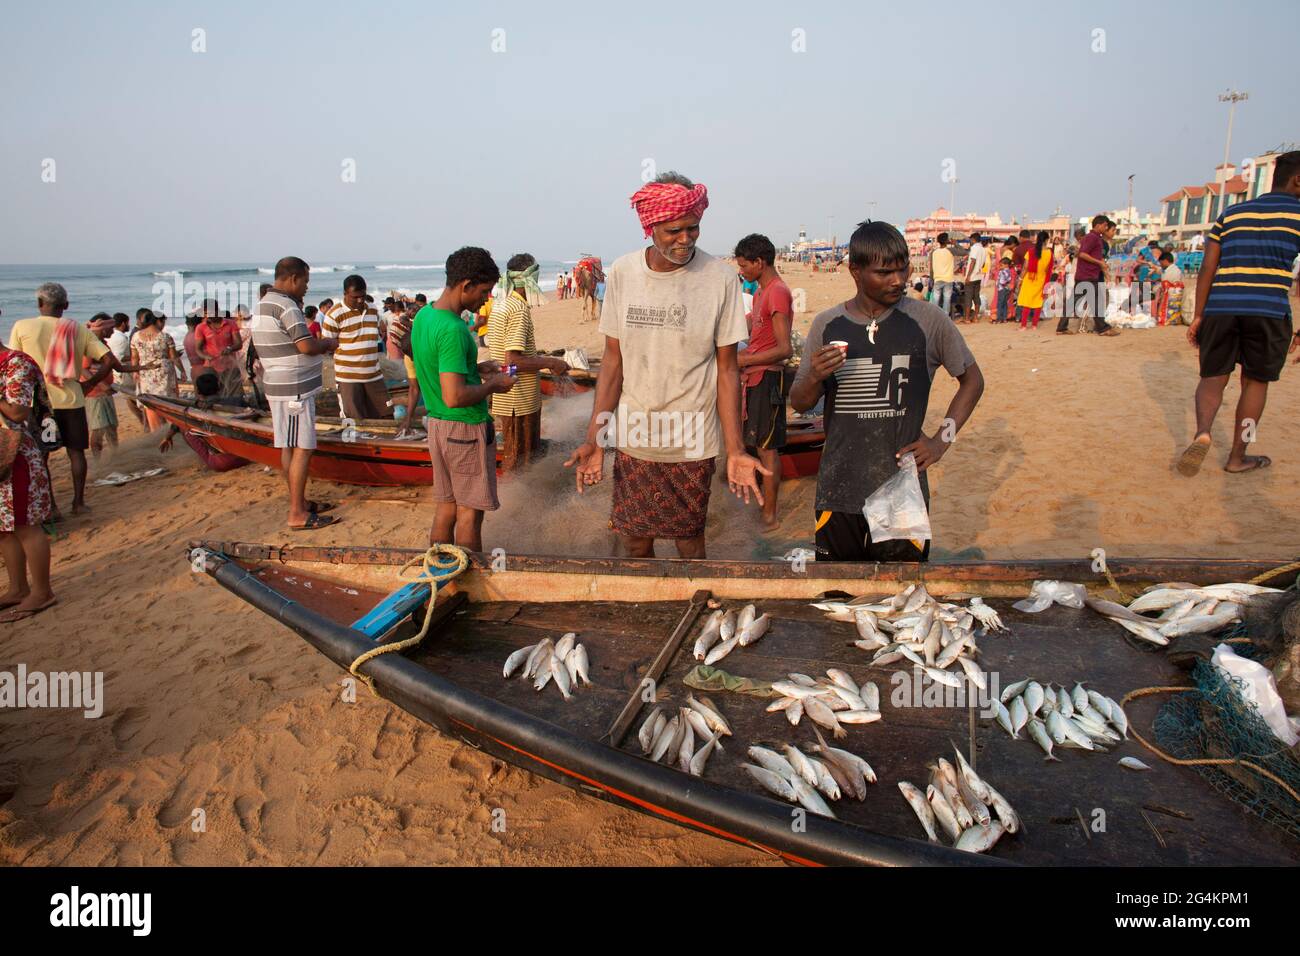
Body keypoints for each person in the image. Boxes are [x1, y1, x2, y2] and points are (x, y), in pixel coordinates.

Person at [564, 172, 768, 559]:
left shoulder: (721, 279)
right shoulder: (624, 273)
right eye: (675, 230)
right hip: (636, 434)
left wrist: (736, 449)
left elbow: (728, 369)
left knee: (689, 540)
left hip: (693, 438)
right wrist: (595, 438)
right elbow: (613, 362)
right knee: (635, 540)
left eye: (693, 228)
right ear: (651, 226)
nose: (686, 239)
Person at [789, 220, 984, 562]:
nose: (898, 280)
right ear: (855, 272)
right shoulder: (827, 324)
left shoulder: (928, 321)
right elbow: (800, 402)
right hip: (839, 490)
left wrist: (941, 441)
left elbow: (972, 380)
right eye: (884, 272)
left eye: (902, 269)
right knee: (839, 595)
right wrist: (815, 376)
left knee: (902, 599)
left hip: (903, 493)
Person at [1177, 151, 1300, 477]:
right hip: (1268, 312)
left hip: (1220, 309)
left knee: (1212, 378)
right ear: (1298, 179)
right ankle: (1237, 456)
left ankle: (1203, 432)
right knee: (1255, 384)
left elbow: (1207, 267)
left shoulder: (1232, 213)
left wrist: (1199, 316)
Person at [411, 246, 516, 551]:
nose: (486, 299)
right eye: (484, 291)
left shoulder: (425, 315)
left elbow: (437, 367)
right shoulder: (454, 329)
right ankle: (468, 578)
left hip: (438, 426)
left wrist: (476, 369)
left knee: (446, 507)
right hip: (464, 429)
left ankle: (440, 569)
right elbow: (455, 395)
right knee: (469, 514)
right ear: (465, 285)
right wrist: (493, 385)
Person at [8, 283, 139, 516]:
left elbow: (14, 364)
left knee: (42, 456)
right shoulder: (78, 329)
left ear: (39, 304)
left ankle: (52, 508)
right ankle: (78, 503)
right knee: (76, 453)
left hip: (40, 405)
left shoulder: (22, 326)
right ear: (66, 306)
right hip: (72, 401)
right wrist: (89, 383)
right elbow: (109, 360)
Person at [250, 256, 342, 530]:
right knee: (303, 446)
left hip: (278, 384)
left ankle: (299, 502)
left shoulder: (263, 304)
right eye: (305, 281)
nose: (306, 288)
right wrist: (327, 343)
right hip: (294, 388)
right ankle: (296, 513)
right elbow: (305, 346)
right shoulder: (286, 306)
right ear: (292, 278)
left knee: (288, 445)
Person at [487, 254, 569, 472]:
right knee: (520, 461)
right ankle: (514, 503)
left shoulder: (501, 304)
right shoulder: (518, 309)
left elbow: (504, 362)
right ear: (531, 279)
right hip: (519, 400)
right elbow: (512, 361)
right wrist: (551, 362)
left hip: (507, 396)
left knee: (515, 454)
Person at [734, 233, 794, 530]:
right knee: (754, 444)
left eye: (744, 265)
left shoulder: (777, 291)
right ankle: (760, 506)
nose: (741, 270)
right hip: (754, 377)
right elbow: (751, 329)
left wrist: (743, 360)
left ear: (760, 262)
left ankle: (770, 515)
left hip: (768, 379)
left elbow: (785, 349)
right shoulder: (759, 291)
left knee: (767, 449)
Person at [0, 344, 57, 622]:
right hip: (4, 457)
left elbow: (18, 412)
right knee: (4, 529)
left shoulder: (16, 363)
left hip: (16, 455)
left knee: (25, 525)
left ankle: (42, 591)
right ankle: (18, 588)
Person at [82, 314, 151, 457]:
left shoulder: (103, 344)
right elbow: (83, 369)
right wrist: (101, 385)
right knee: (98, 428)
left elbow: (118, 366)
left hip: (106, 392)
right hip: (95, 394)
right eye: (111, 329)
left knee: (112, 426)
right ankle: (98, 461)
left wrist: (144, 367)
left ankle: (115, 456)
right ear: (102, 328)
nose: (113, 332)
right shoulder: (88, 344)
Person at [323, 274, 390, 420]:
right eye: (355, 297)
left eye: (363, 296)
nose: (360, 300)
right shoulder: (334, 314)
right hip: (348, 377)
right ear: (345, 294)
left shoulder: (373, 309)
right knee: (354, 419)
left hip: (374, 374)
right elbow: (328, 344)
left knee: (385, 415)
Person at [158, 370, 252, 472]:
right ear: (219, 387)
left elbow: (177, 422)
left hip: (220, 463)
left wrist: (167, 437)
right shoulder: (236, 401)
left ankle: (204, 461)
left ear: (198, 391)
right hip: (247, 457)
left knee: (183, 425)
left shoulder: (195, 410)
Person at [1060, 214, 1118, 336]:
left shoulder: (1093, 237)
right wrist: (1099, 263)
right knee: (1096, 302)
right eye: (1105, 225)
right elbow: (1082, 254)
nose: (1106, 227)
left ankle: (1061, 327)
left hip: (1086, 274)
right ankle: (1102, 328)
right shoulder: (1092, 238)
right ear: (1098, 225)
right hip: (1088, 274)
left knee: (1080, 301)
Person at [131, 311, 185, 429]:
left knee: (150, 403)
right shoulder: (165, 337)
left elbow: (134, 358)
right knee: (168, 402)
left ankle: (155, 430)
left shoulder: (136, 337)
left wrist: (135, 372)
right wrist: (182, 371)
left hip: (146, 372)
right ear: (158, 321)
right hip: (164, 373)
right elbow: (174, 357)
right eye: (163, 321)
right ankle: (170, 428)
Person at [193, 300, 244, 396]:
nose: (208, 316)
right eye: (206, 314)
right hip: (211, 367)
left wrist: (230, 348)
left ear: (217, 310)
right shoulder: (201, 327)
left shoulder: (231, 324)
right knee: (211, 395)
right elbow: (198, 349)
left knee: (235, 395)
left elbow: (239, 344)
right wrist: (205, 356)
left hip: (230, 366)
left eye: (210, 313)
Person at [1016, 231, 1053, 331]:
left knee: (1027, 303)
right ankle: (1034, 325)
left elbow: (1025, 267)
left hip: (1029, 279)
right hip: (1041, 280)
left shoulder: (1031, 251)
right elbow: (1048, 269)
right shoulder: (1049, 253)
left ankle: (1023, 326)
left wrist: (1020, 279)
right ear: (1046, 240)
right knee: (1038, 303)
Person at [959, 233, 988, 322]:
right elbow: (983, 264)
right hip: (979, 276)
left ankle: (967, 318)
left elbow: (973, 261)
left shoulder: (974, 248)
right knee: (976, 297)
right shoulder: (983, 249)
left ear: (973, 239)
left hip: (972, 276)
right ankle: (975, 317)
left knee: (968, 297)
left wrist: (968, 276)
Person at [930, 233, 955, 315]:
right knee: (947, 300)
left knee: (935, 301)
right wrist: (955, 243)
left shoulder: (934, 252)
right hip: (948, 279)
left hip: (937, 279)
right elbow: (964, 252)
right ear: (947, 241)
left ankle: (934, 317)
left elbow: (931, 267)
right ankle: (945, 318)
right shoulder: (950, 251)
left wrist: (931, 279)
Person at [994, 255, 1015, 323]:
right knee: (1005, 304)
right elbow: (1009, 279)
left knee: (1000, 304)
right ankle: (1005, 318)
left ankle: (999, 318)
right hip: (1006, 289)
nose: (1000, 267)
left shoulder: (1003, 271)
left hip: (1002, 289)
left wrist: (999, 284)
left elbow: (1002, 281)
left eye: (1001, 265)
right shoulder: (1009, 271)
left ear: (1006, 265)